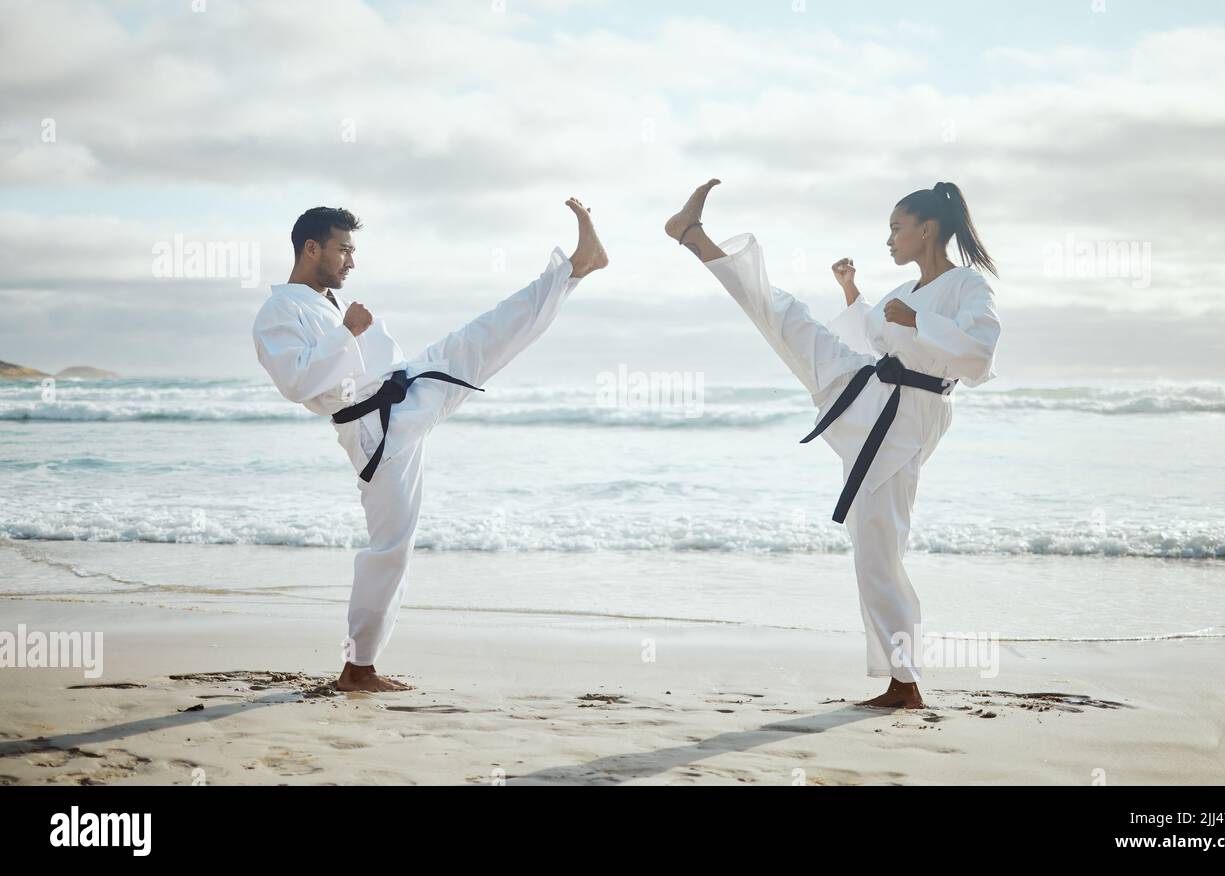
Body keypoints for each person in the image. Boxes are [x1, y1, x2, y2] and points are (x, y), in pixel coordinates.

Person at [664, 179, 1000, 709]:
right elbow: (872, 333)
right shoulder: (900, 293)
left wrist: (920, 322)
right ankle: (694, 238)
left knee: (877, 548)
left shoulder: (966, 288)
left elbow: (979, 357)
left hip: (904, 418)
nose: (889, 239)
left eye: (896, 228)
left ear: (927, 229)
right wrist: (851, 292)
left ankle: (905, 682)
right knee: (790, 319)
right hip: (869, 394)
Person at [253, 200, 607, 692]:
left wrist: (347, 331)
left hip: (405, 392)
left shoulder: (320, 301)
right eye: (343, 250)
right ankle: (358, 668)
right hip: (379, 430)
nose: (351, 262)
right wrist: (348, 332)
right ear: (311, 248)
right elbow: (296, 381)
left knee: (483, 337)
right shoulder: (278, 311)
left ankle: (574, 269)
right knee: (391, 548)